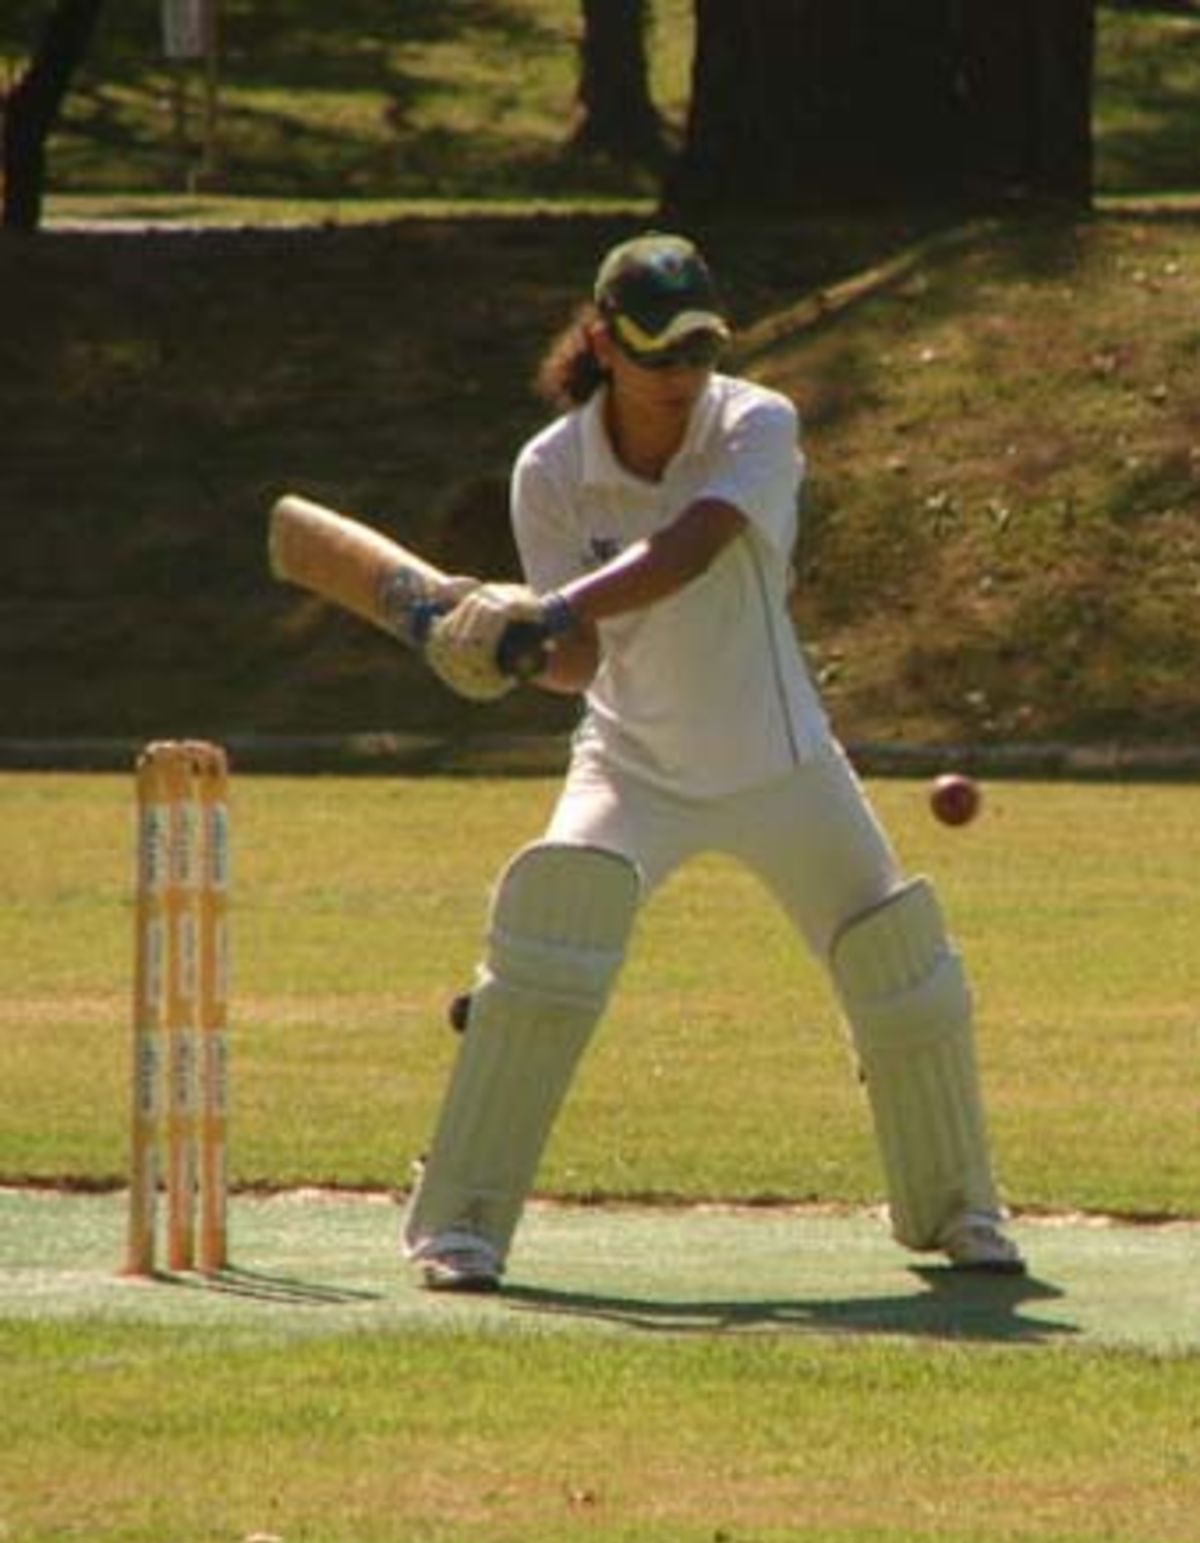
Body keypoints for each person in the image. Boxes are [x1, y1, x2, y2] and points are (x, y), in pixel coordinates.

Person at [403, 232, 1024, 1292]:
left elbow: (691, 547)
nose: (684, 376)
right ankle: (459, 1222)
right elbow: (582, 658)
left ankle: (961, 1208)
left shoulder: (756, 422)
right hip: (630, 763)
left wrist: (549, 606)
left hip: (781, 762)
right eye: (659, 355)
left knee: (905, 969)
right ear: (602, 339)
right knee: (547, 942)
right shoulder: (551, 471)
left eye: (699, 350)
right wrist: (508, 651)